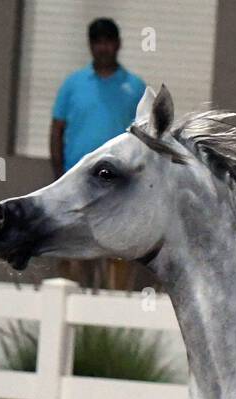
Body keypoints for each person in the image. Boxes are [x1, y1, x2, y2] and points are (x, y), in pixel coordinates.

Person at [50, 16, 145, 291]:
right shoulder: (73, 85)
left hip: (118, 188)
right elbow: (57, 130)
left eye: (108, 41)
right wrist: (59, 176)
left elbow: (143, 138)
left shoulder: (134, 87)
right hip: (76, 186)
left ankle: (111, 322)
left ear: (118, 45)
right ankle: (71, 323)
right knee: (73, 255)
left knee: (117, 255)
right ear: (90, 46)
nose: (103, 47)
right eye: (97, 42)